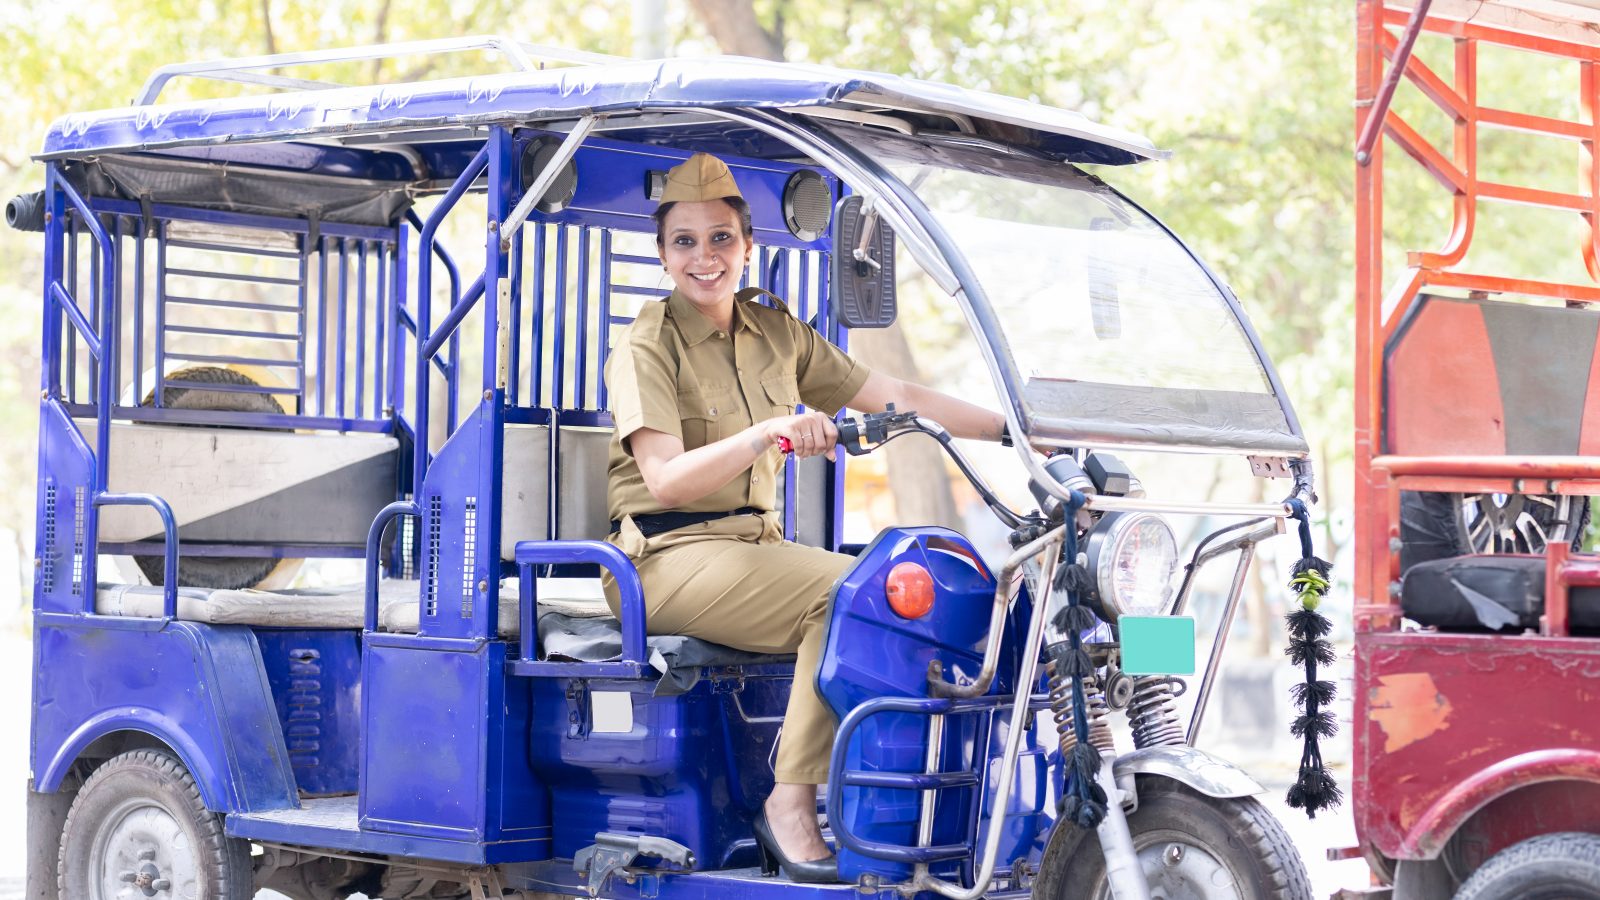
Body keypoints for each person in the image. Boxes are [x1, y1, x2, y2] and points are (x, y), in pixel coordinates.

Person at [602, 152, 1007, 883]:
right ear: (663, 255)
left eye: (721, 238)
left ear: (748, 247)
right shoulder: (646, 344)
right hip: (661, 561)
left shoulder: (775, 332)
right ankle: (791, 803)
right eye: (685, 241)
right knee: (854, 594)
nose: (705, 257)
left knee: (912, 588)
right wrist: (767, 433)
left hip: (753, 550)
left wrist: (1012, 428)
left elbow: (892, 392)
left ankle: (911, 804)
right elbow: (663, 481)